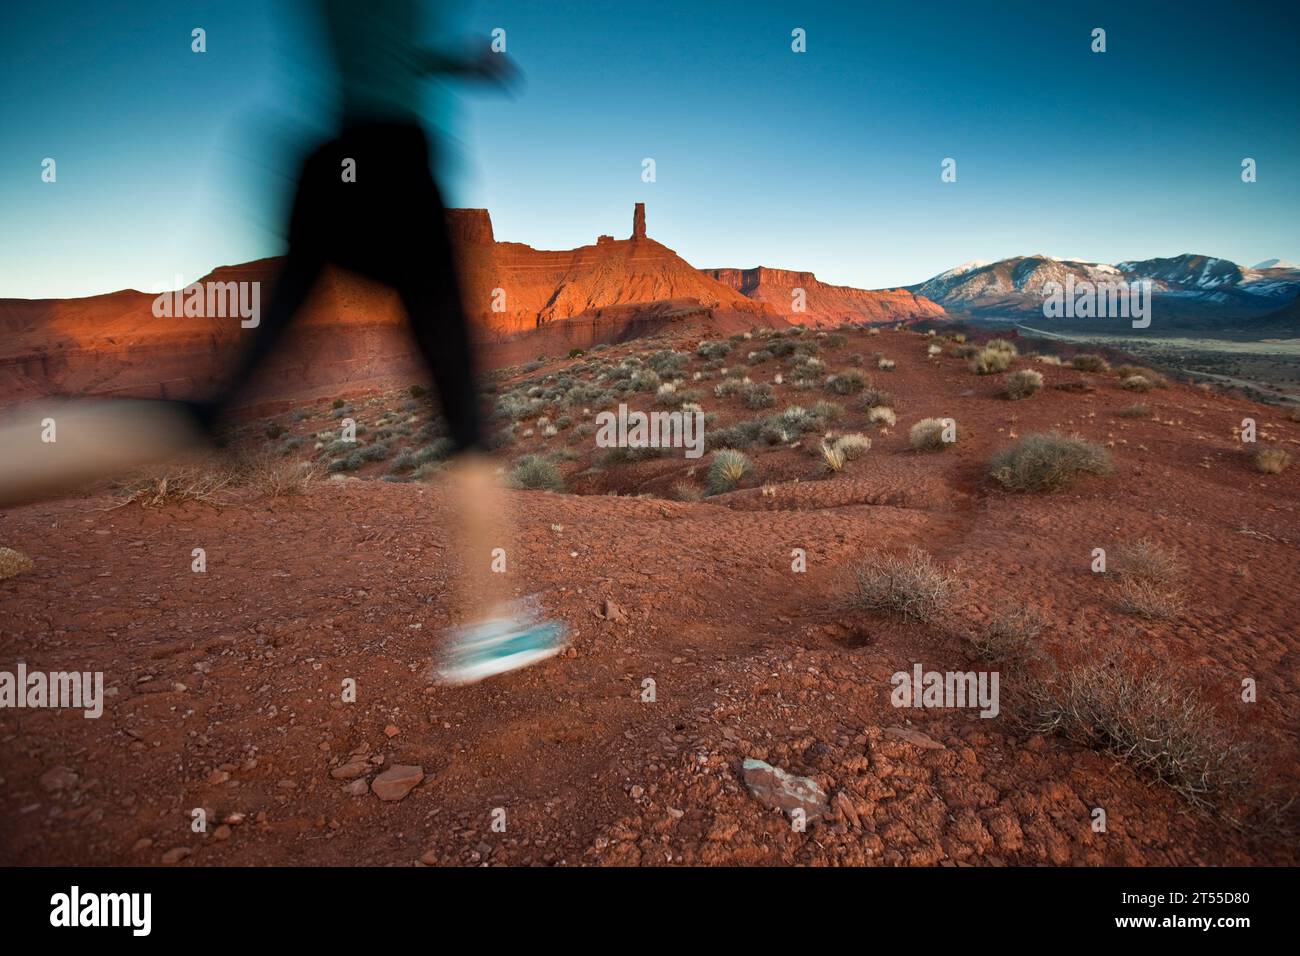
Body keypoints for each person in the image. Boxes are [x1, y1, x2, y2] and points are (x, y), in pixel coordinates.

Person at [0, 0, 566, 684]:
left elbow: (379, 43)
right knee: (466, 415)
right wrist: (465, 60)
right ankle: (487, 622)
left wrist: (450, 59)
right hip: (396, 169)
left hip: (324, 169)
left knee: (218, 409)